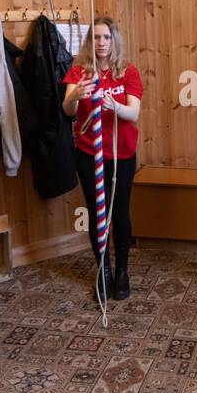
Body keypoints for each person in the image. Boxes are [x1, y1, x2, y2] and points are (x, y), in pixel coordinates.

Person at [62, 16, 143, 301]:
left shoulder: (128, 72)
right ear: (89, 41)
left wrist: (115, 106)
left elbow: (134, 113)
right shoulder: (79, 72)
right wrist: (76, 94)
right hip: (89, 154)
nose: (101, 43)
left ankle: (122, 270)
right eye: (96, 37)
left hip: (122, 155)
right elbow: (68, 110)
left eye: (106, 37)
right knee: (97, 214)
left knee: (119, 213)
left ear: (114, 40)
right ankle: (103, 271)